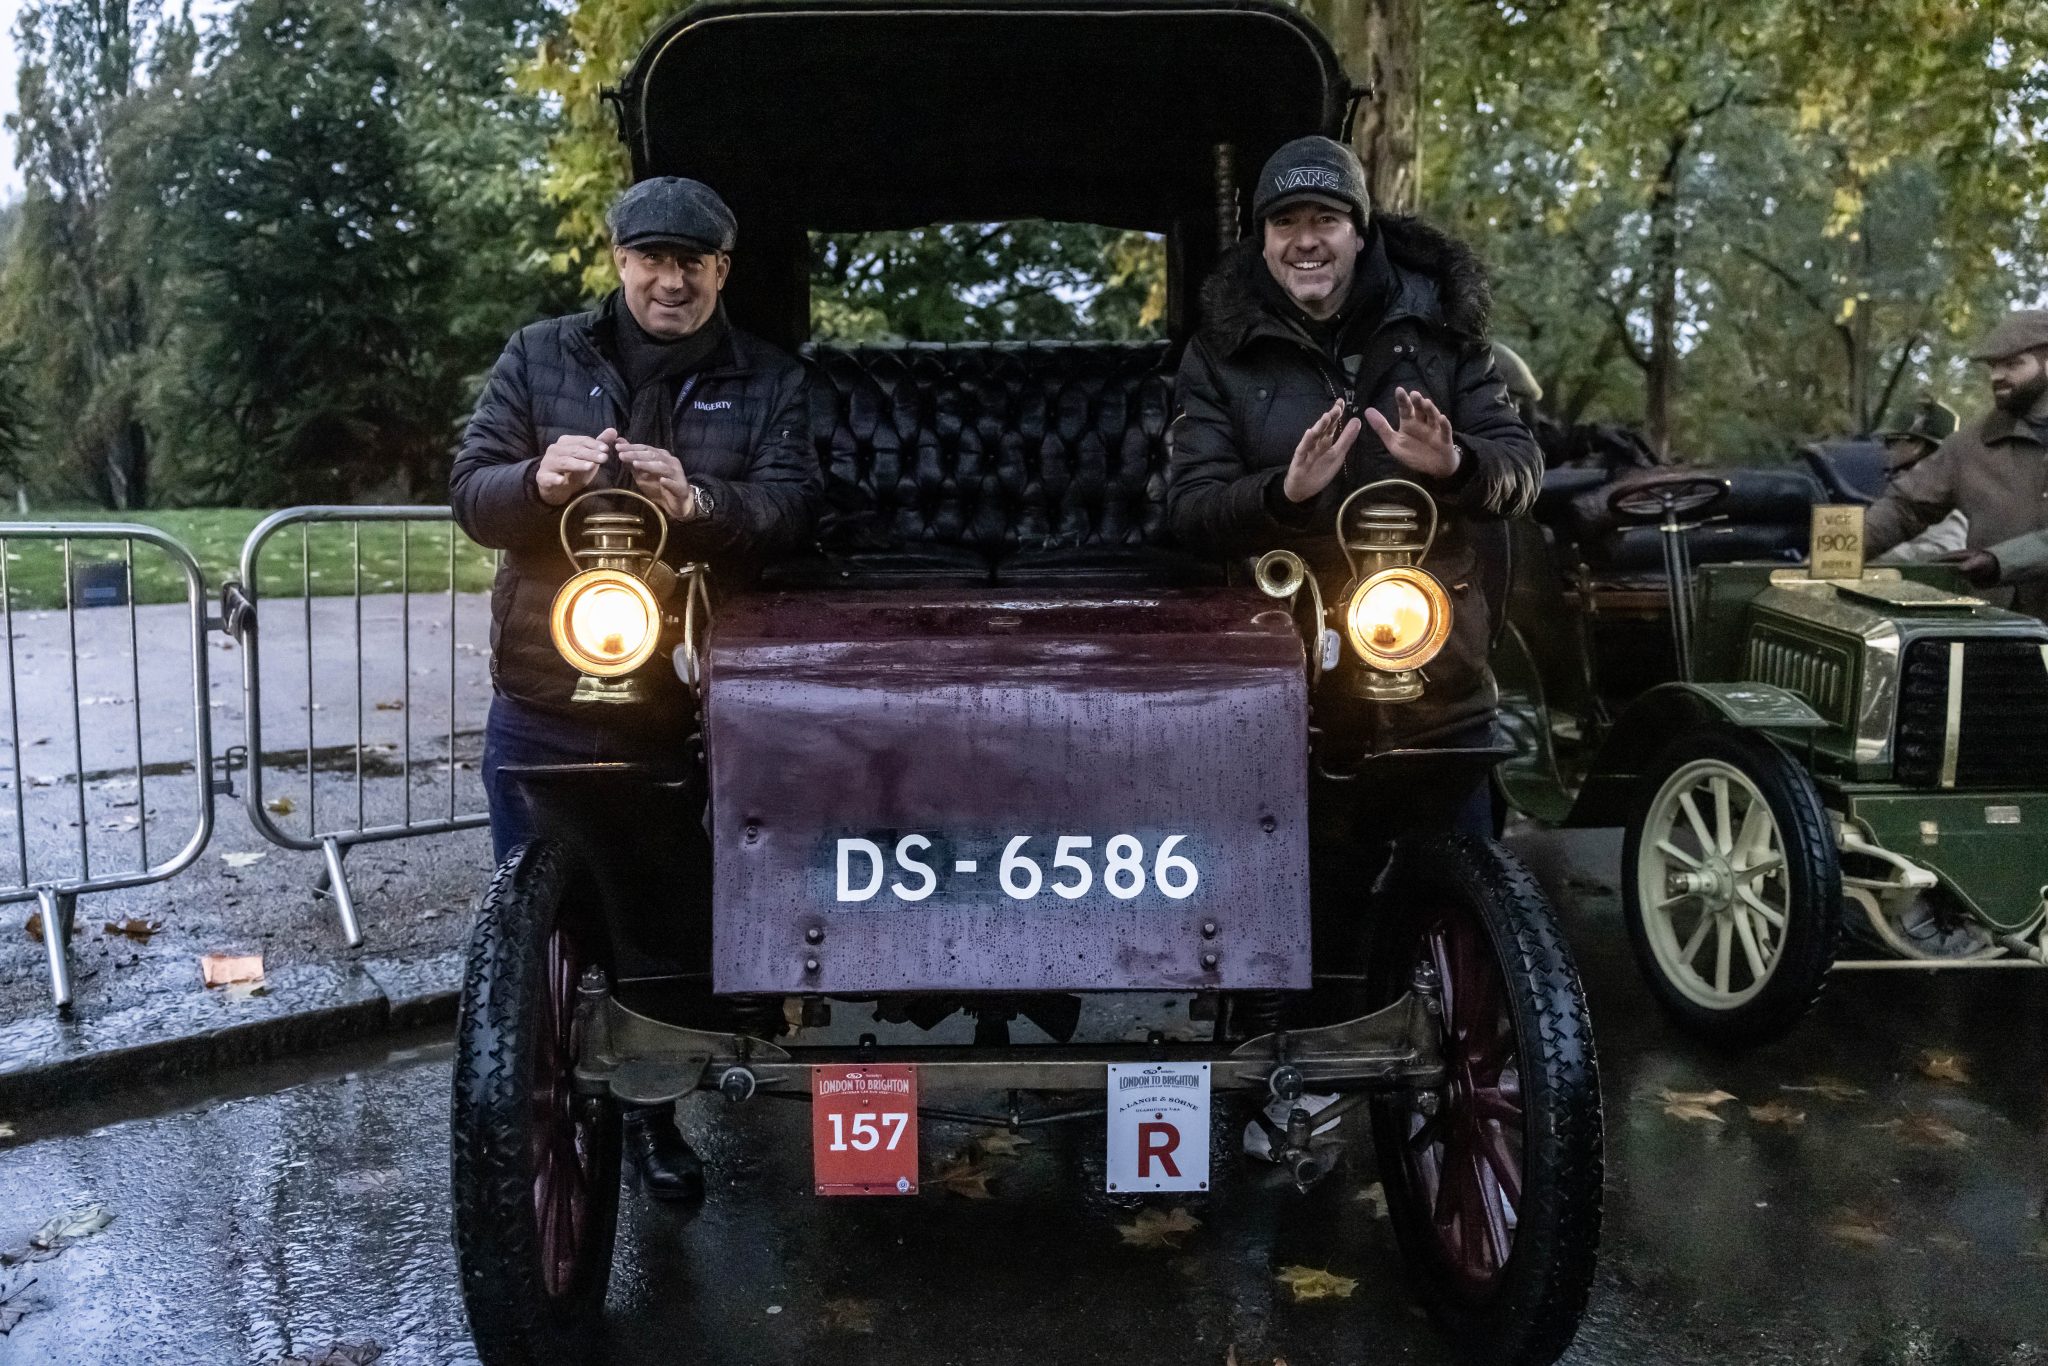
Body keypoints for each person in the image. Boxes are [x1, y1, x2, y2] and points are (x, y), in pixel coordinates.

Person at [452, 176, 820, 1200]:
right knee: (541, 926)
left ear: (722, 271)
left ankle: (660, 1101)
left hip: (693, 701)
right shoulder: (538, 355)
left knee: (661, 914)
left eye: (691, 262)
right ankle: (621, 1119)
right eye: (651, 258)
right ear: (617, 260)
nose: (670, 279)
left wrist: (694, 498)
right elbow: (471, 495)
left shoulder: (767, 378)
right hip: (544, 690)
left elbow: (791, 510)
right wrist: (537, 481)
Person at [1166, 135, 1542, 826]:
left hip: (1441, 676)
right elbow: (1189, 511)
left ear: (1359, 234)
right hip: (1288, 680)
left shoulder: (1443, 328)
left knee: (1470, 883)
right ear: (1263, 240)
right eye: (1286, 223)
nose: (1305, 241)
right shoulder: (1219, 353)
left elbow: (1522, 472)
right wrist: (1285, 494)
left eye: (1325, 221)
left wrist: (1456, 463)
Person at [1864, 310, 2048, 619]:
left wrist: (2000, 560)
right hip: (1998, 629)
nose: (1997, 376)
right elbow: (1905, 506)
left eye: (2013, 364)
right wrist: (1841, 548)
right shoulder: (1971, 444)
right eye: (1992, 366)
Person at [1870, 397, 1965, 563]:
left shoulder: (1944, 495)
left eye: (1890, 441)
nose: (1886, 449)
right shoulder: (1915, 488)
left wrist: (1869, 566)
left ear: (1916, 446)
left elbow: (1944, 548)